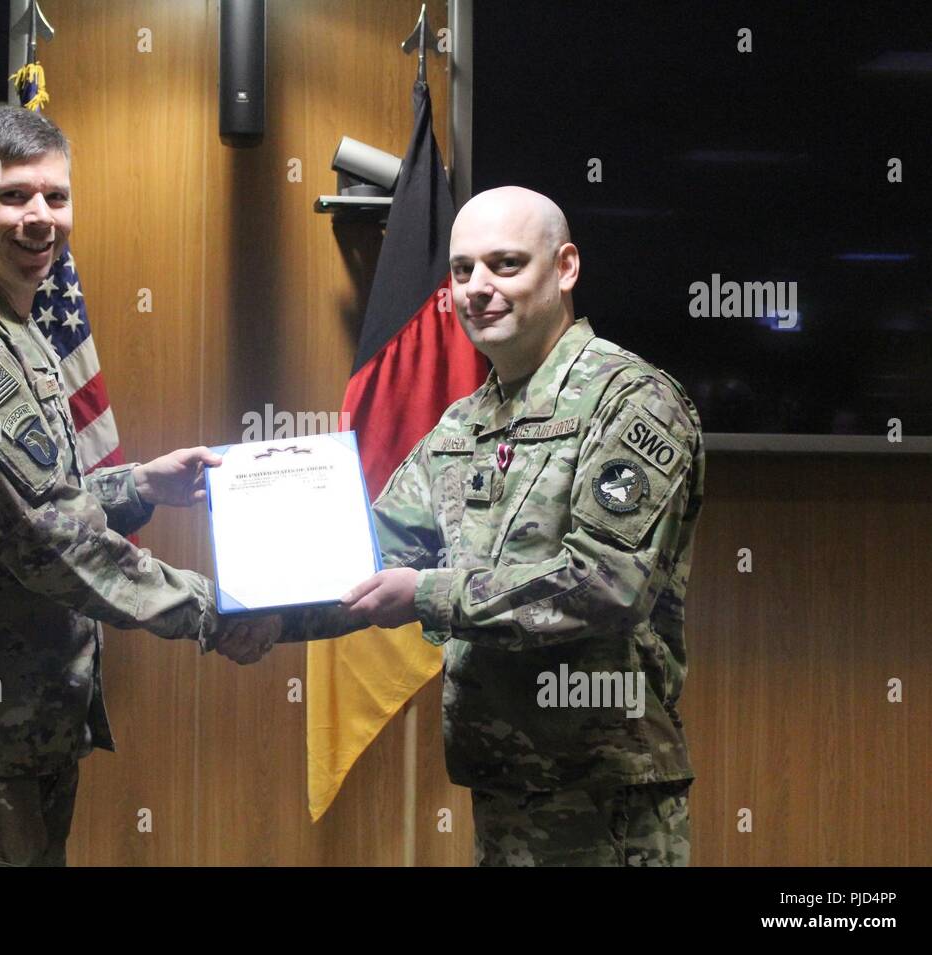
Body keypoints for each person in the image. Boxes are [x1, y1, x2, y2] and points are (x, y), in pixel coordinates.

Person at [0, 103, 275, 867]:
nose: (39, 218)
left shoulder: (16, 326)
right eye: (12, 196)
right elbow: (47, 540)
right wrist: (214, 609)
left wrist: (138, 485)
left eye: (56, 197)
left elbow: (6, 509)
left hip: (11, 731)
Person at [274, 186, 705, 866]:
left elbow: (604, 587)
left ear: (564, 268)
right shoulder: (463, 426)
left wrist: (427, 593)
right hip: (501, 789)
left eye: (505, 264)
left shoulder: (630, 402)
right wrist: (234, 607)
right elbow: (360, 557)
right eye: (463, 269)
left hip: (606, 804)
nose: (478, 288)